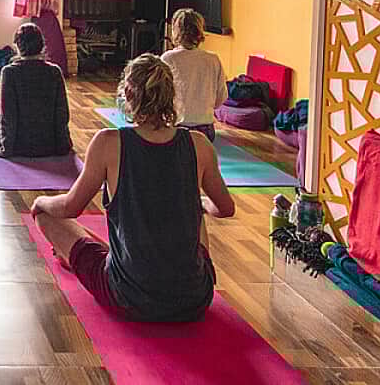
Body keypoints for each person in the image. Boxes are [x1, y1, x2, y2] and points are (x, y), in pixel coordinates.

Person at [30, 54, 235, 323]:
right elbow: (226, 208)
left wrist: (41, 202)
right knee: (194, 206)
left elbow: (70, 207)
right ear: (171, 95)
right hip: (195, 299)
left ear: (128, 93)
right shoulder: (199, 144)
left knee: (46, 217)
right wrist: (203, 205)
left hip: (128, 297)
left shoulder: (107, 143)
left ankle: (84, 254)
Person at [0, 22, 73, 157]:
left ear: (17, 46)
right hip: (50, 145)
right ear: (42, 46)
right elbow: (62, 113)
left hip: (18, 146)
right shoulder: (55, 71)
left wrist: (6, 149)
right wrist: (62, 147)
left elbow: (8, 116)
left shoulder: (9, 72)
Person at [160, 8, 227, 142]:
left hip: (177, 127)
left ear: (175, 31)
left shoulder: (168, 58)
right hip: (206, 130)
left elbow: (160, 96)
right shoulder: (213, 59)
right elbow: (221, 98)